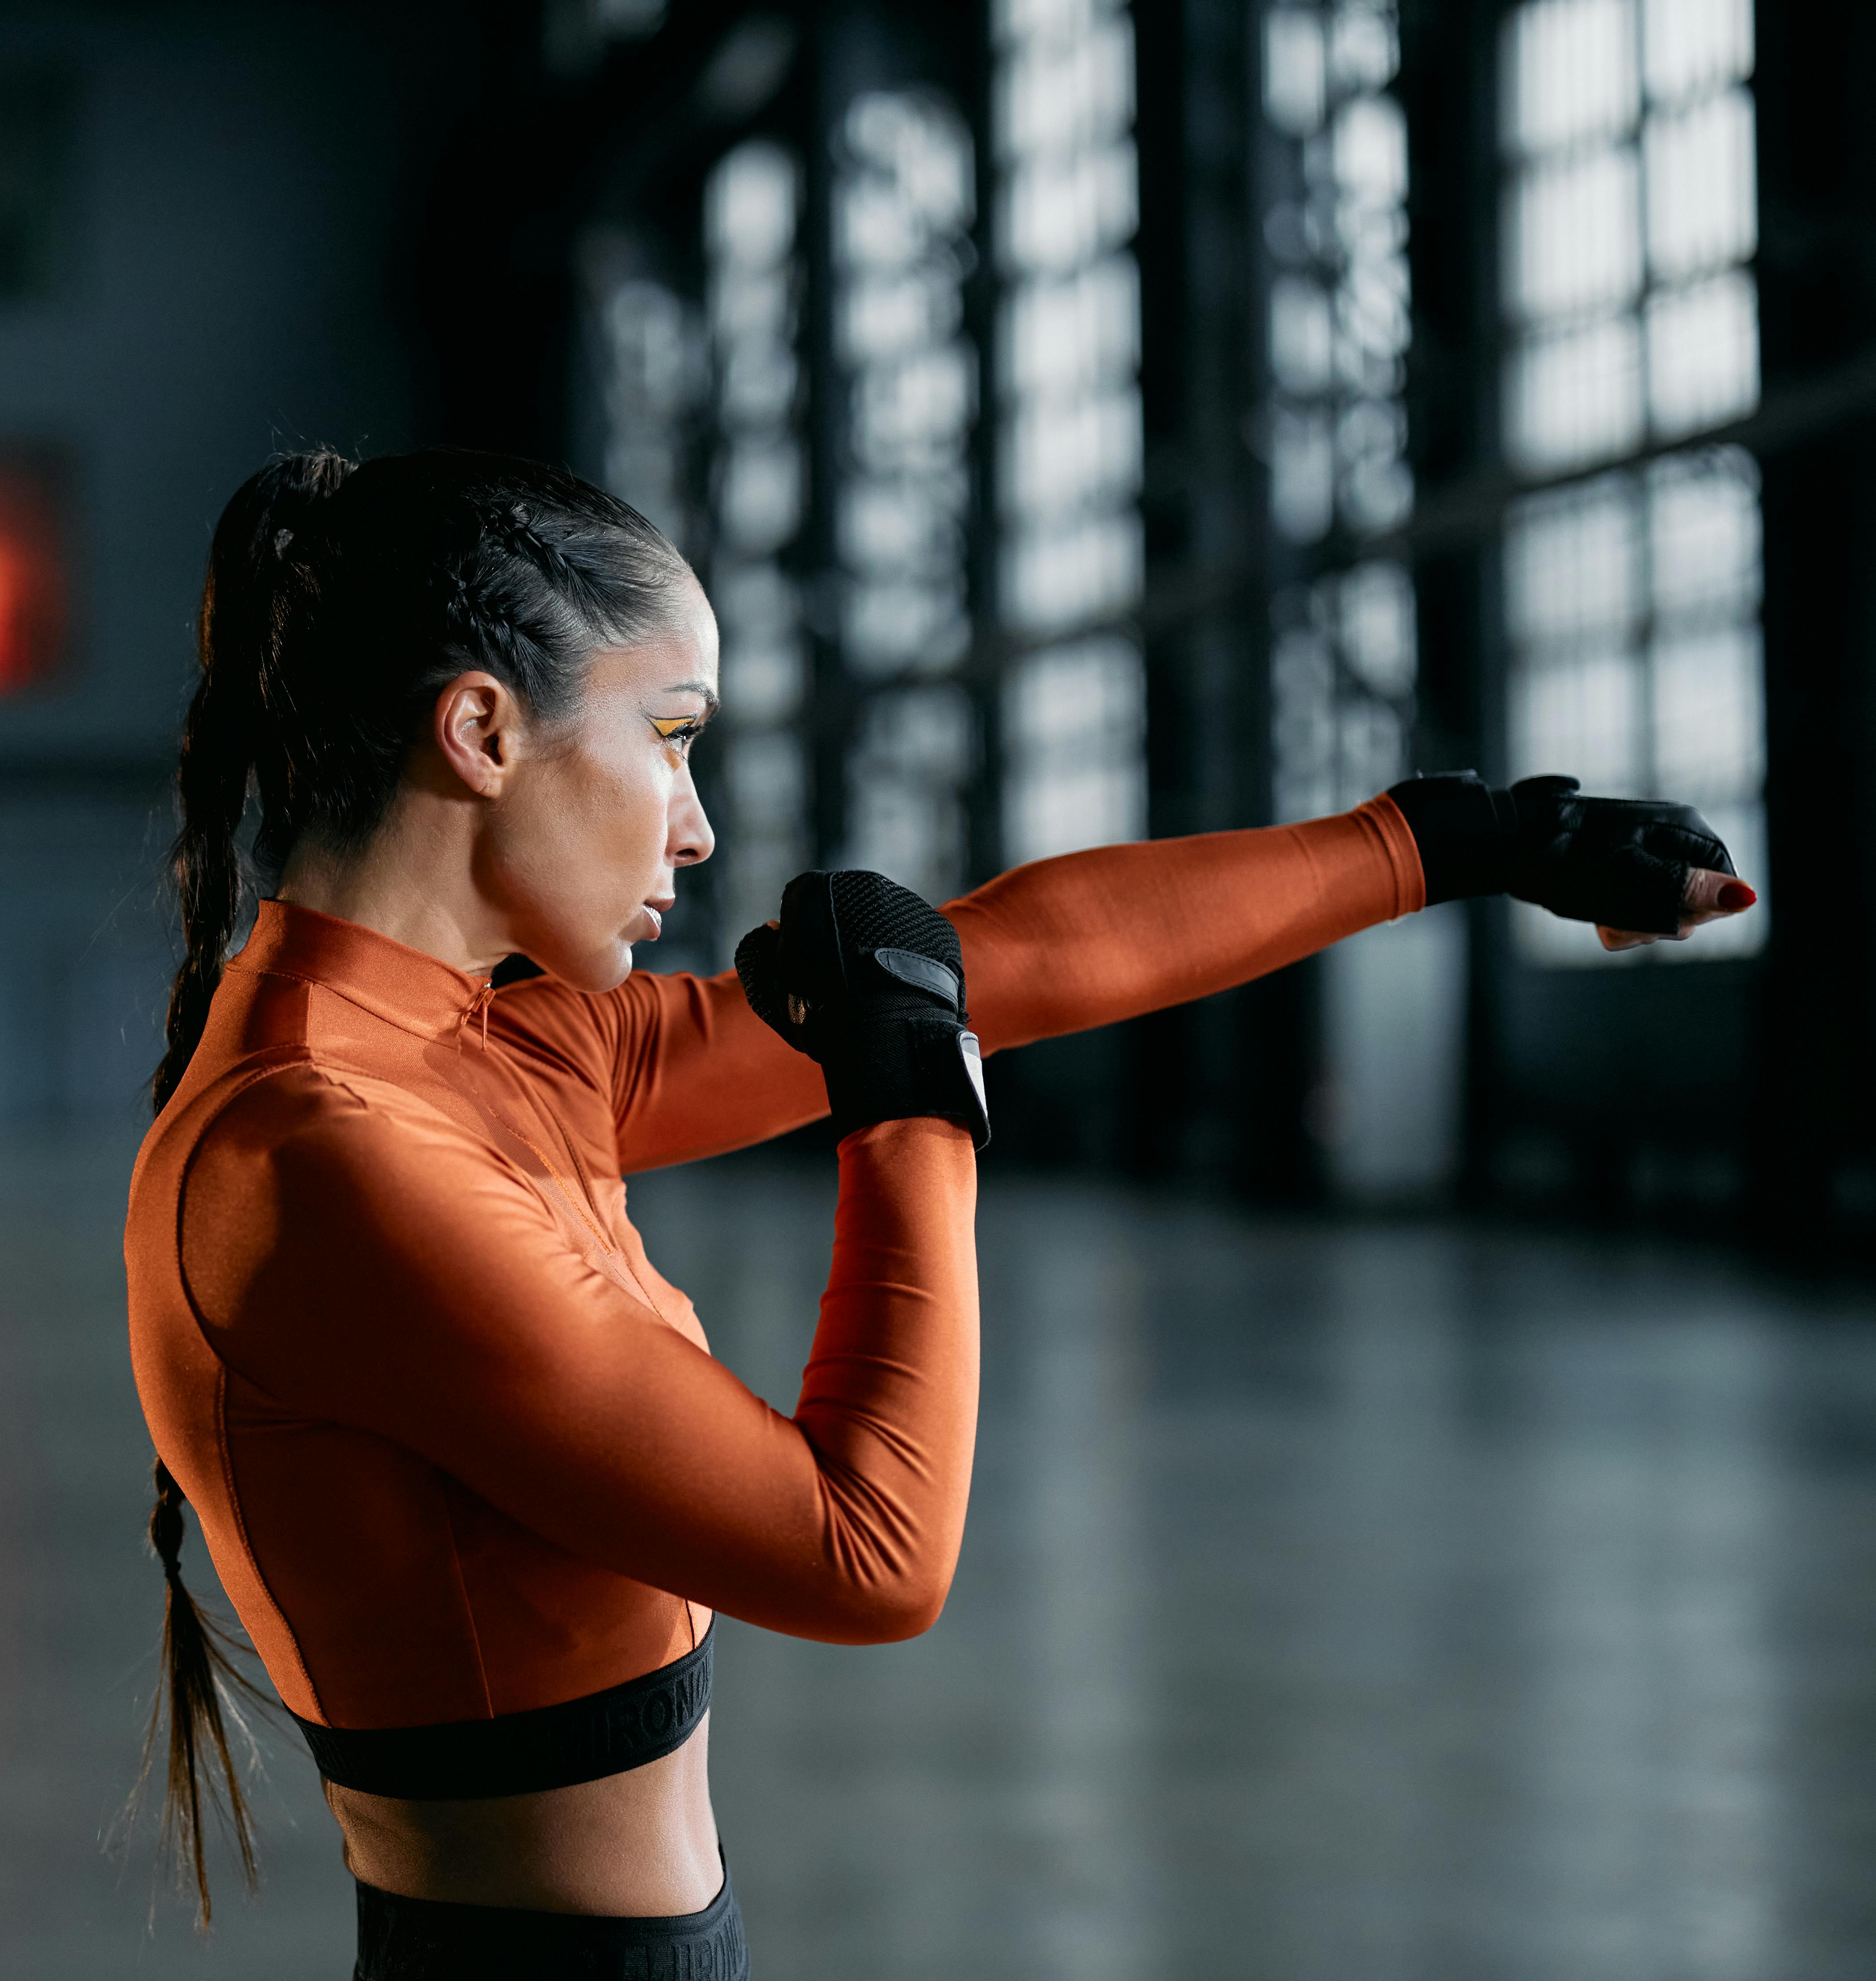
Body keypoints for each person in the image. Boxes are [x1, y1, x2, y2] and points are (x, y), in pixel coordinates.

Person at [122, 448, 1751, 1977]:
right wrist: (916, 1110)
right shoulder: (327, 1153)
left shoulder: (480, 1052)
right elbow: (868, 1554)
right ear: (481, 734)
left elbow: (1009, 960)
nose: (696, 823)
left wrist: (1457, 839)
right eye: (673, 735)